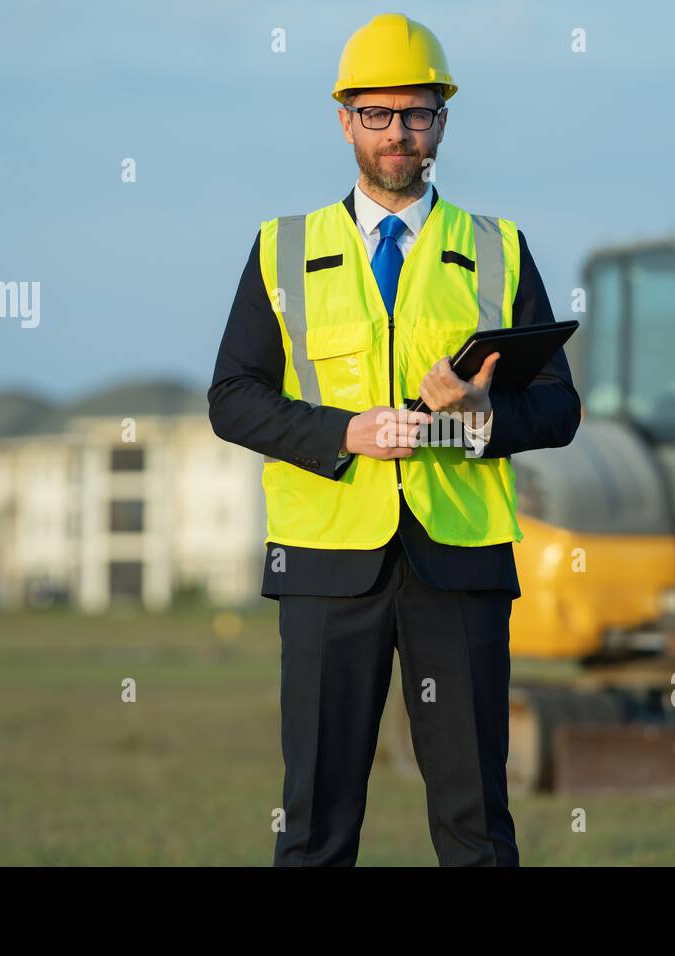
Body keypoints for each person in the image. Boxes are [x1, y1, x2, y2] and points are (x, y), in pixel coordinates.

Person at [207, 12, 581, 866]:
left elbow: (559, 411)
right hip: (325, 563)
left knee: (477, 827)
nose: (398, 133)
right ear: (345, 121)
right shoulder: (281, 250)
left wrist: (481, 417)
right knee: (315, 830)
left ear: (443, 120)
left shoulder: (500, 249)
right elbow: (233, 400)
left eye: (416, 113)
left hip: (462, 563)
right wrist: (348, 432)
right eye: (378, 115)